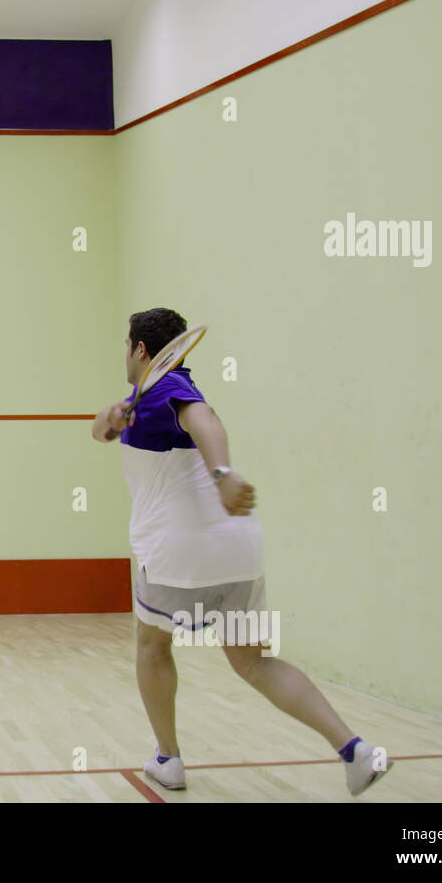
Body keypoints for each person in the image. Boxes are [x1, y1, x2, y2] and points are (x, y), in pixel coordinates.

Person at [91, 308, 390, 797]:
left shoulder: (168, 391)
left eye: (126, 345)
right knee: (253, 662)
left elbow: (204, 419)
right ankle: (353, 750)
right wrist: (111, 417)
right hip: (237, 547)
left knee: (151, 646)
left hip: (176, 553)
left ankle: (168, 759)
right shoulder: (147, 399)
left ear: (141, 350)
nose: (124, 354)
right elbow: (100, 430)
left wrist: (223, 474)